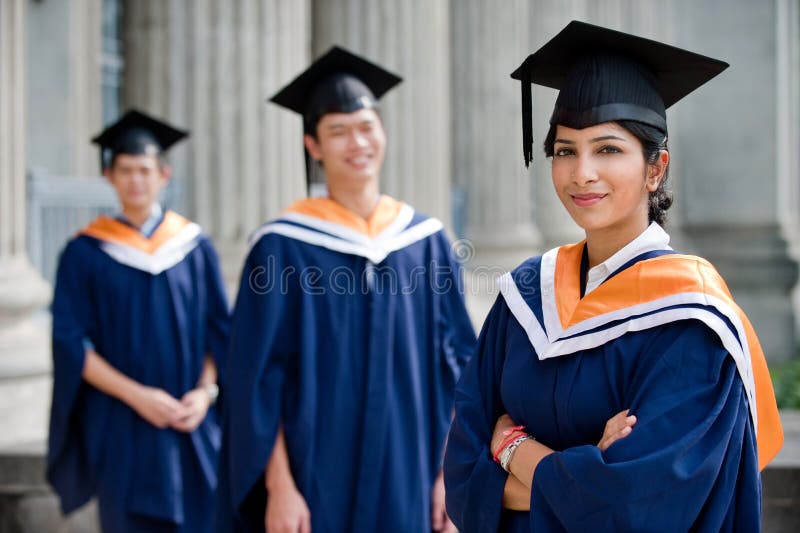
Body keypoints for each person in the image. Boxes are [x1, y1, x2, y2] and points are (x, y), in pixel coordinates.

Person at [443, 20, 784, 532]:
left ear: (655, 168)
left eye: (608, 149)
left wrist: (512, 448)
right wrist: (582, 472)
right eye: (564, 150)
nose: (582, 172)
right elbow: (464, 477)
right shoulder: (527, 296)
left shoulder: (692, 321)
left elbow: (632, 507)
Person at [216, 46, 476, 533]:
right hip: (314, 483)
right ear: (313, 145)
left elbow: (459, 367)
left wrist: (448, 473)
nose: (356, 143)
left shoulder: (426, 242)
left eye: (365, 127)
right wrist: (279, 487)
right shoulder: (281, 248)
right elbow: (254, 380)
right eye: (338, 131)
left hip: (410, 475)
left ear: (383, 133)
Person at [47, 109, 231, 533]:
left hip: (191, 420)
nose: (136, 181)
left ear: (163, 175)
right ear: (109, 176)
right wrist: (138, 397)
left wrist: (205, 394)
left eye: (145, 170)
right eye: (126, 170)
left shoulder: (193, 247)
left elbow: (218, 332)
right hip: (122, 424)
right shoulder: (85, 253)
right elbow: (71, 343)